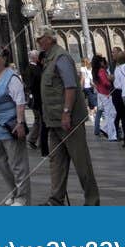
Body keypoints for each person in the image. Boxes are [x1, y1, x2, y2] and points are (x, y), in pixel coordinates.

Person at [37, 30, 99, 206]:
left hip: (68, 120)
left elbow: (70, 87)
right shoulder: (49, 58)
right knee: (56, 161)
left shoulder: (61, 57)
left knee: (81, 162)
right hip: (53, 120)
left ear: (50, 39)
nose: (38, 42)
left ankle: (92, 201)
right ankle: (56, 200)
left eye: (41, 39)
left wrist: (66, 112)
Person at [0, 44, 30, 205]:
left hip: (9, 126)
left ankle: (22, 198)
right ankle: (14, 192)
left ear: (4, 58)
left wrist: (20, 122)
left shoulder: (12, 77)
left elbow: (20, 102)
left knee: (18, 164)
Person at [92, 53, 117, 141]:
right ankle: (111, 135)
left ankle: (105, 128)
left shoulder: (95, 71)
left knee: (111, 113)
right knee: (110, 114)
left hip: (101, 93)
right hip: (105, 93)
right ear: (99, 62)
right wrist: (110, 82)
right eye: (102, 61)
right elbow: (105, 82)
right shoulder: (101, 70)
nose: (103, 62)